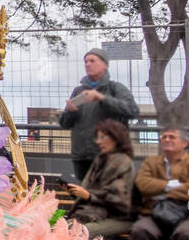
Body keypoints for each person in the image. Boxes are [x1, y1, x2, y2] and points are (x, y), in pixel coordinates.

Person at [131, 126, 189, 240]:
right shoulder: (151, 162)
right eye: (164, 137)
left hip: (188, 214)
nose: (167, 139)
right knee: (140, 230)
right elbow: (143, 185)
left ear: (185, 143)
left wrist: (160, 192)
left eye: (172, 137)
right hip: (154, 213)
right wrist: (173, 185)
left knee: (186, 234)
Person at [59, 48, 138, 181]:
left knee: (108, 194)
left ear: (105, 64)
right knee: (85, 194)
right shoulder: (79, 91)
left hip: (109, 155)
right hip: (82, 156)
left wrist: (102, 98)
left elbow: (132, 110)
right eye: (86, 61)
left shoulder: (116, 88)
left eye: (92, 61)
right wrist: (70, 112)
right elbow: (65, 123)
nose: (88, 64)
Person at [64, 118, 136, 240]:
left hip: (118, 217)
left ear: (115, 138)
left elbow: (119, 200)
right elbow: (92, 192)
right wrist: (78, 192)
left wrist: (89, 196)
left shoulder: (122, 162)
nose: (98, 142)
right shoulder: (101, 160)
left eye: (103, 138)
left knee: (78, 232)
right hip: (95, 213)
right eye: (98, 138)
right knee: (60, 228)